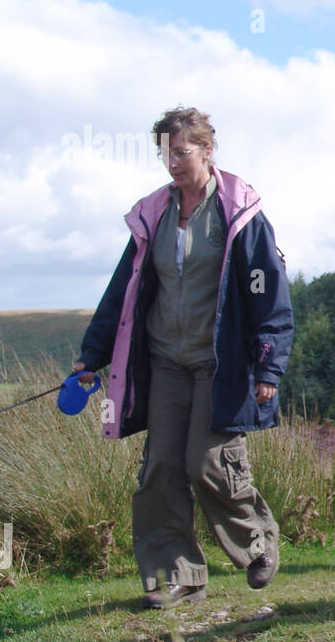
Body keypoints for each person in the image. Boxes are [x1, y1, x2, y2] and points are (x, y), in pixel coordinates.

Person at [75, 107, 293, 609]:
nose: (172, 162)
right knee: (161, 469)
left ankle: (258, 540)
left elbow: (270, 296)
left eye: (181, 151)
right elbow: (122, 293)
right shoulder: (154, 214)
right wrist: (92, 356)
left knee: (207, 465)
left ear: (206, 149)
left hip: (221, 365)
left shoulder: (239, 214)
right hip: (164, 361)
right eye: (165, 153)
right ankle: (178, 574)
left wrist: (269, 366)